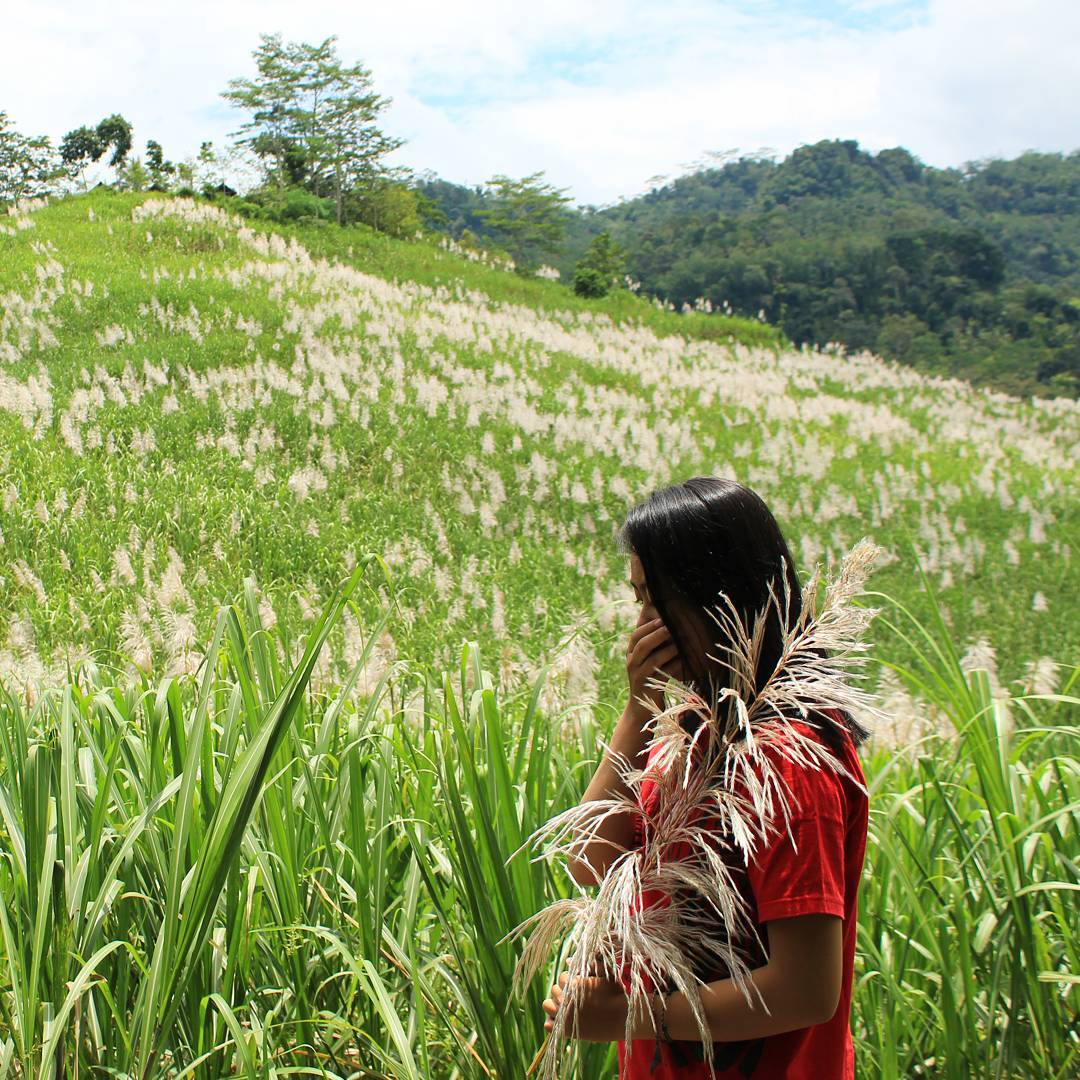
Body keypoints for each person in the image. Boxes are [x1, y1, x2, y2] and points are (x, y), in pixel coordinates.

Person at [541, 477, 871, 1079]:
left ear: (714, 599)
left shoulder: (789, 764)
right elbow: (588, 860)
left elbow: (806, 989)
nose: (641, 625)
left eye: (654, 600)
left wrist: (637, 1017)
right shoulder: (693, 731)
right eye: (636, 598)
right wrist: (639, 706)